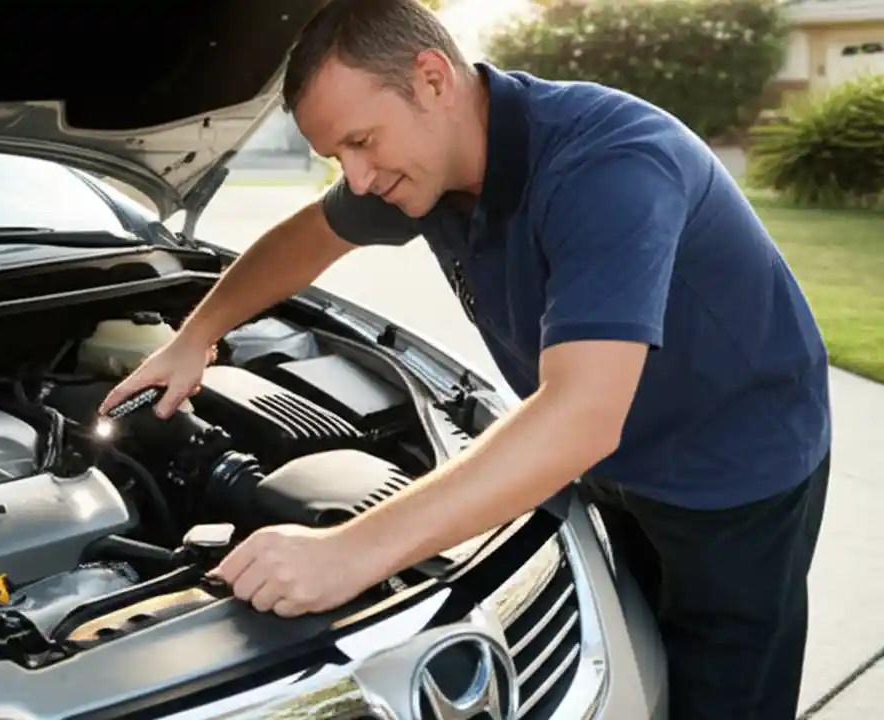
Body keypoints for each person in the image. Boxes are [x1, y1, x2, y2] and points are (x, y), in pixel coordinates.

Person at [97, 1, 832, 717]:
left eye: (361, 141)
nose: (355, 178)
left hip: (736, 470)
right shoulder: (421, 161)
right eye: (335, 157)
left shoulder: (610, 167)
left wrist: (351, 552)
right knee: (650, 662)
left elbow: (580, 418)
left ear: (433, 79)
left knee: (725, 687)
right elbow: (306, 238)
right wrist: (194, 337)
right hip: (623, 456)